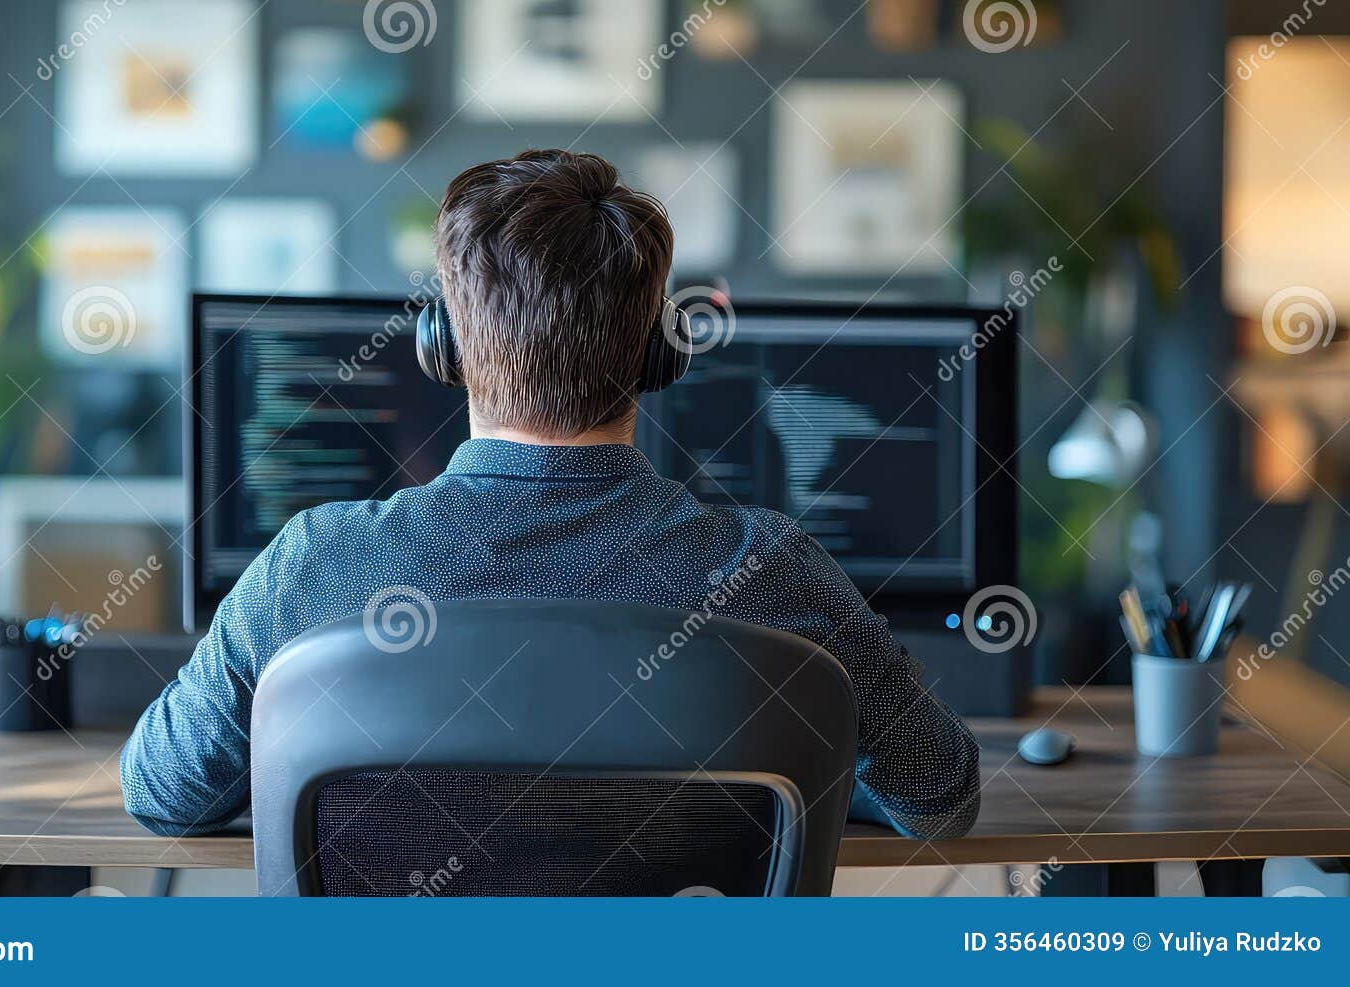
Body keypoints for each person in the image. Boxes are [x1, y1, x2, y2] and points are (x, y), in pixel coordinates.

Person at [122, 148, 980, 842]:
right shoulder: (768, 571)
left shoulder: (316, 563)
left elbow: (161, 794)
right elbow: (940, 796)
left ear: (444, 346)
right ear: (662, 353)